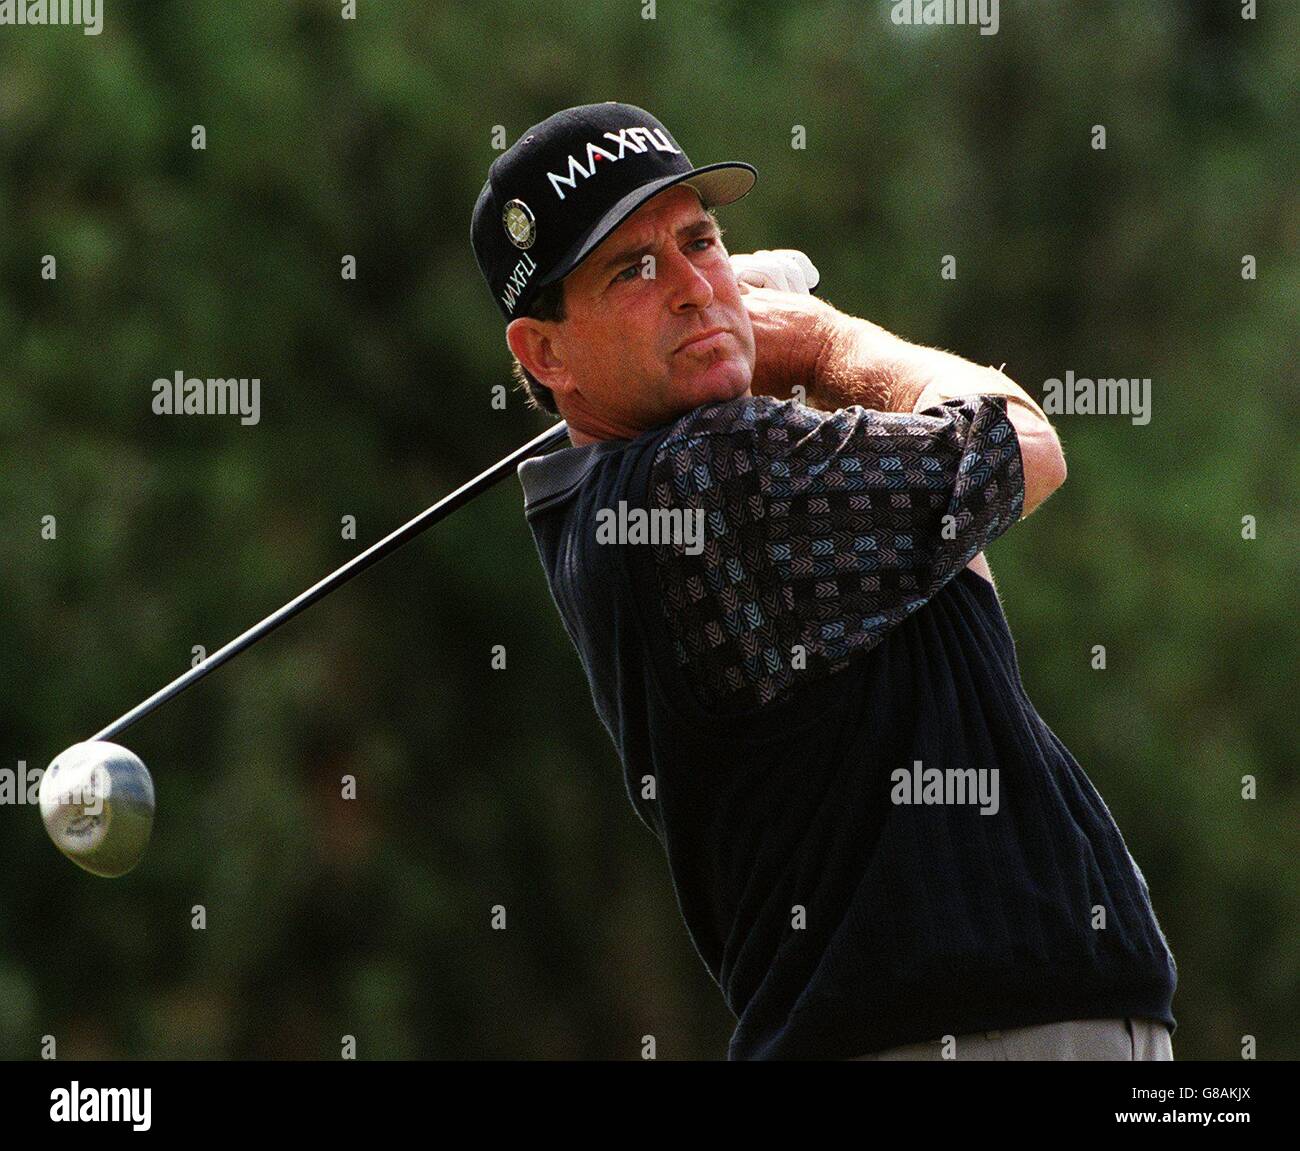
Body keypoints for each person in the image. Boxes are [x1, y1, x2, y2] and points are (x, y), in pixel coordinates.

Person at [470, 101, 1177, 1060]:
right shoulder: (704, 474)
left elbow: (959, 587)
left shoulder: (629, 493)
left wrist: (742, 364)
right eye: (632, 269)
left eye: (699, 241)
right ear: (545, 353)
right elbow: (1022, 447)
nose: (691, 286)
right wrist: (822, 343)